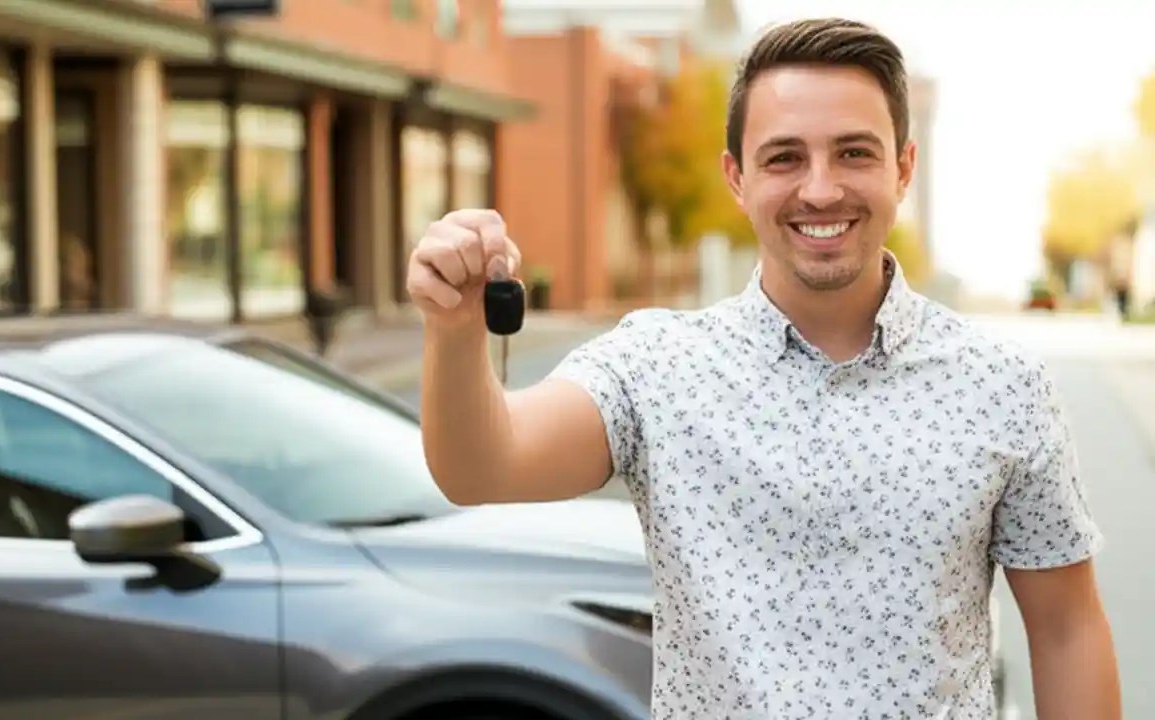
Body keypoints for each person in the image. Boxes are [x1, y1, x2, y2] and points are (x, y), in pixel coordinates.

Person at [405, 17, 1121, 720]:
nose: (819, 189)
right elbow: (482, 466)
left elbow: (1065, 631)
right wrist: (456, 327)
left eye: (853, 153)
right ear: (736, 178)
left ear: (902, 169)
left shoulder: (1001, 386)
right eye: (784, 158)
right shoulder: (655, 369)